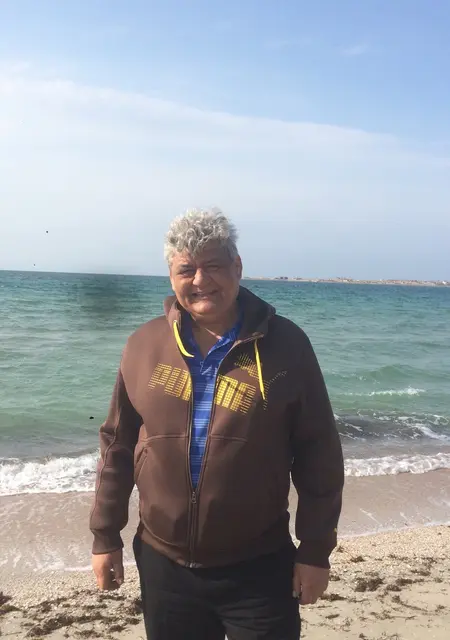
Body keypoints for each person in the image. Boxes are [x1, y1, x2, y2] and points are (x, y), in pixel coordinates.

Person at [90, 209, 344, 640]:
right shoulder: (143, 345)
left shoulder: (287, 345)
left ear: (237, 267)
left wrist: (316, 550)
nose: (200, 280)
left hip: (260, 566)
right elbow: (117, 444)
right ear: (171, 276)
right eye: (186, 269)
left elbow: (319, 453)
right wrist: (105, 535)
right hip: (164, 564)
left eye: (213, 266)